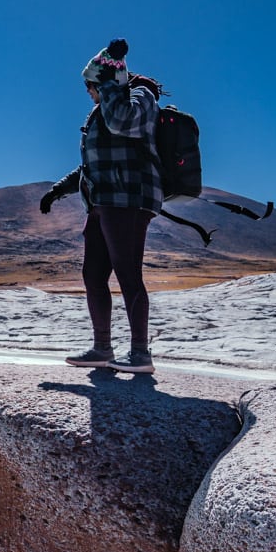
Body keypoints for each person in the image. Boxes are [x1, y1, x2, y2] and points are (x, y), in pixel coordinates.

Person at [40, 38, 162, 374]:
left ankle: (140, 353)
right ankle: (102, 348)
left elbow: (125, 123)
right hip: (103, 201)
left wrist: (110, 87)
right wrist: (58, 190)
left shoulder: (140, 96)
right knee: (93, 274)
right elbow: (93, 165)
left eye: (91, 86)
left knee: (127, 271)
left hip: (129, 199)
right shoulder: (104, 106)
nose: (89, 93)